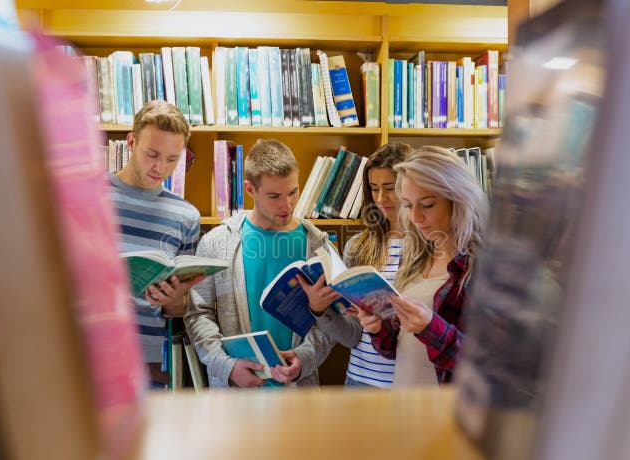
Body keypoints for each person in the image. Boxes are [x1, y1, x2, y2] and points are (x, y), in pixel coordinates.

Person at [184, 139, 335, 388]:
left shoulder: (318, 245)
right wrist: (227, 366)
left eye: (293, 192)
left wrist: (305, 357)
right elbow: (198, 314)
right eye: (274, 196)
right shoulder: (216, 243)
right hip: (236, 397)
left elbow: (331, 320)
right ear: (250, 189)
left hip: (299, 394)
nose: (287, 205)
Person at [357, 146, 487, 385]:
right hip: (404, 402)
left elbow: (486, 366)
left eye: (427, 204)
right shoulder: (414, 255)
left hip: (446, 409)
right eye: (407, 205)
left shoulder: (481, 266)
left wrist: (431, 327)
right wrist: (378, 329)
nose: (415, 217)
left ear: (458, 200)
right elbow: (398, 347)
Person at [108, 100, 204, 387]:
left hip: (149, 365)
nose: (160, 167)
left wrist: (174, 299)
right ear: (131, 141)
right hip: (85, 356)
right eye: (152, 154)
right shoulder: (89, 196)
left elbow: (179, 309)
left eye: (173, 159)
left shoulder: (186, 216)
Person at [299, 143, 410, 388]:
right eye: (374, 189)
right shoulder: (358, 247)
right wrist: (320, 310)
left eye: (390, 188)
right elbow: (352, 336)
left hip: (408, 385)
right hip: (360, 381)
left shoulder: (430, 248)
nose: (381, 198)